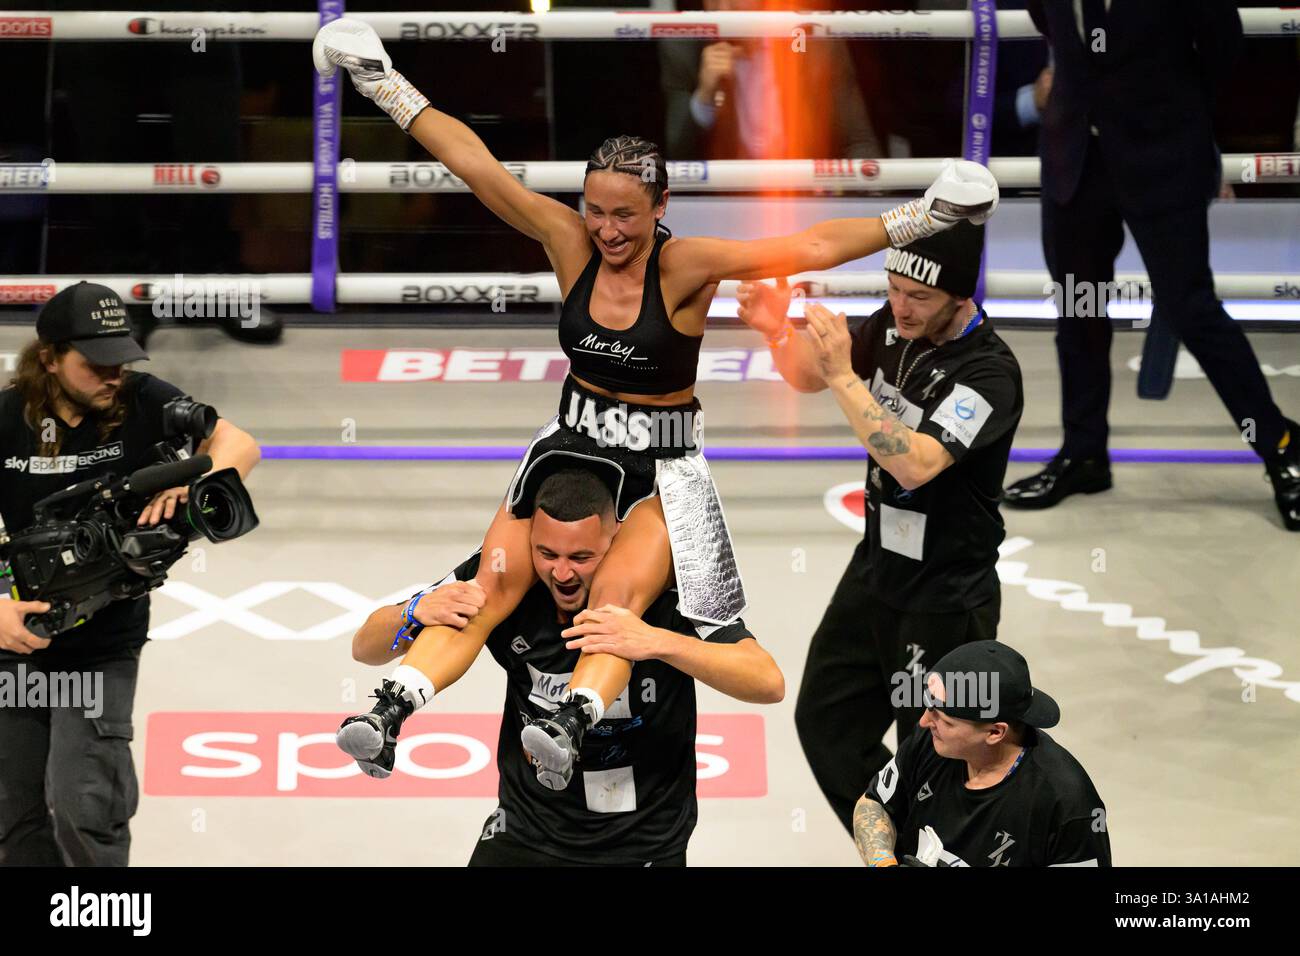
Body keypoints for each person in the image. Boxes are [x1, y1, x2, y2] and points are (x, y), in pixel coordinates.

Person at [313, 17, 999, 790]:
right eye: (597, 211)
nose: (607, 230)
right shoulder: (565, 238)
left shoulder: (686, 266)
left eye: (626, 216)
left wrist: (924, 218)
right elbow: (477, 166)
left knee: (613, 602)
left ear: (661, 204)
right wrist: (379, 81)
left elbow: (805, 247)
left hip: (659, 462)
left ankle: (568, 722)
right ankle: (390, 709)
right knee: (491, 582)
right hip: (571, 438)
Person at [736, 222, 1023, 835]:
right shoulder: (895, 326)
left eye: (918, 296)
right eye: (893, 289)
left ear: (960, 295)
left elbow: (915, 464)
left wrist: (845, 376)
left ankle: (934, 847)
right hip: (876, 570)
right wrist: (774, 328)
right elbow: (805, 374)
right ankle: (891, 844)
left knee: (935, 755)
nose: (901, 305)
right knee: (825, 720)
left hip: (947, 595)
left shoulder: (990, 374)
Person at [350, 468, 783, 865]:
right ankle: (391, 712)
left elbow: (767, 681)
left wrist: (657, 642)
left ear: (614, 542)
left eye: (580, 557)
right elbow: (365, 647)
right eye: (547, 553)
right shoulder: (506, 582)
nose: (561, 573)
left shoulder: (664, 593)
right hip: (524, 832)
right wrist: (413, 611)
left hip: (643, 844)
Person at [1003, 0, 1300, 530]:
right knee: (1079, 311)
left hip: (1162, 157)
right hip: (1074, 158)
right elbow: (1048, 20)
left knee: (1192, 310)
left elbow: (1223, 48)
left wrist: (1170, 112)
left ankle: (1280, 447)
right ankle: (1084, 453)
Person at [0, 281, 261, 866]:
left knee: (82, 806)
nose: (114, 375)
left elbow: (237, 443)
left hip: (101, 644)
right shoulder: (6, 418)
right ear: (49, 358)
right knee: (14, 819)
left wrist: (193, 478)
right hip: (13, 640)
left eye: (122, 359)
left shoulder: (146, 401)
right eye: (97, 364)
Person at [853, 640, 1111, 867]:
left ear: (995, 733)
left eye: (945, 719)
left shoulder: (1066, 805)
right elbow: (874, 804)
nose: (923, 721)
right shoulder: (932, 741)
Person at [659, 0, 881, 161]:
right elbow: (676, 153)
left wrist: (869, 200)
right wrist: (704, 98)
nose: (723, 9)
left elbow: (859, 141)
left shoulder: (810, 38)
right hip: (726, 204)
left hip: (807, 198)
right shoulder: (685, 46)